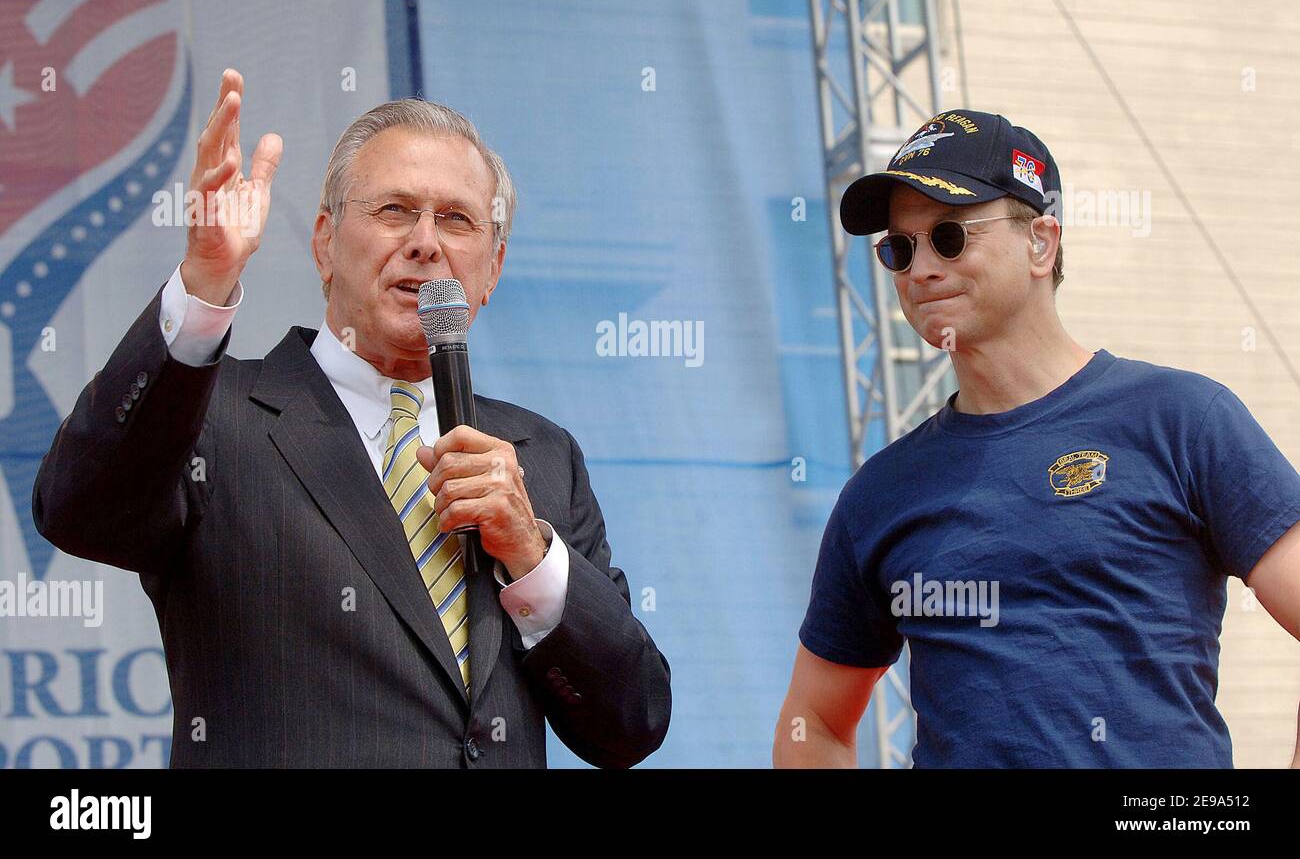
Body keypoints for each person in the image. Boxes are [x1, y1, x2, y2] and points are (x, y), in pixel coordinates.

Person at [33, 69, 671, 769]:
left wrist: (531, 554)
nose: (426, 242)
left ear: (492, 269)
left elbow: (630, 722)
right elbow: (78, 508)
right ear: (324, 243)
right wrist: (203, 284)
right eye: (395, 210)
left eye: (457, 219)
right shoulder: (215, 416)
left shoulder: (541, 456)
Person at [773, 108, 1300, 768]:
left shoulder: (1182, 420)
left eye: (949, 235)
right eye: (898, 248)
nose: (921, 268)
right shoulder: (879, 494)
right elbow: (812, 723)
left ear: (1041, 242)